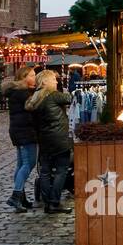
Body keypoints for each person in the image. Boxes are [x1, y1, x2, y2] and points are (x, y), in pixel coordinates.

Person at [24, 69, 73, 214]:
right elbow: (70, 98)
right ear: (45, 82)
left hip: (44, 140)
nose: (56, 81)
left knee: (45, 172)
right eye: (53, 79)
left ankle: (47, 203)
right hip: (59, 140)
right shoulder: (53, 95)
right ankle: (54, 202)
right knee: (61, 171)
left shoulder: (35, 98)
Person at [2, 65, 39, 212]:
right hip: (26, 131)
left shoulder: (16, 92)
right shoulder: (24, 94)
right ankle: (16, 196)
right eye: (32, 75)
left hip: (18, 131)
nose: (34, 77)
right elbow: (33, 109)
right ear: (24, 78)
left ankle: (21, 197)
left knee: (21, 164)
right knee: (28, 164)